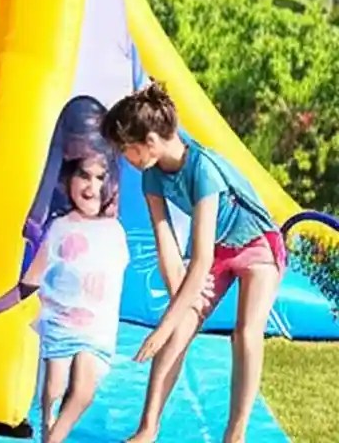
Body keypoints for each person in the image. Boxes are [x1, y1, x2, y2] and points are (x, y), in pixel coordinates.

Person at [99, 81, 285, 443]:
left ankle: (235, 434)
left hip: (258, 244)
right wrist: (178, 312)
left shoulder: (203, 170)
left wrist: (161, 328)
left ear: (150, 142)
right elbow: (166, 244)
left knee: (245, 333)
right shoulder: (152, 176)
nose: (125, 159)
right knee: (179, 327)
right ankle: (147, 429)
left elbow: (199, 263)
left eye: (126, 149)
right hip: (218, 247)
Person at [24, 152, 129, 443]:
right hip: (59, 326)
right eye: (84, 176)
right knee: (53, 390)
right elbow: (33, 278)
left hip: (95, 331)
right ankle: (49, 427)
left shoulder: (113, 232)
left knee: (82, 390)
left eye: (100, 178)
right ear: (68, 179)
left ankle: (53, 438)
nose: (92, 186)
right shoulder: (59, 227)